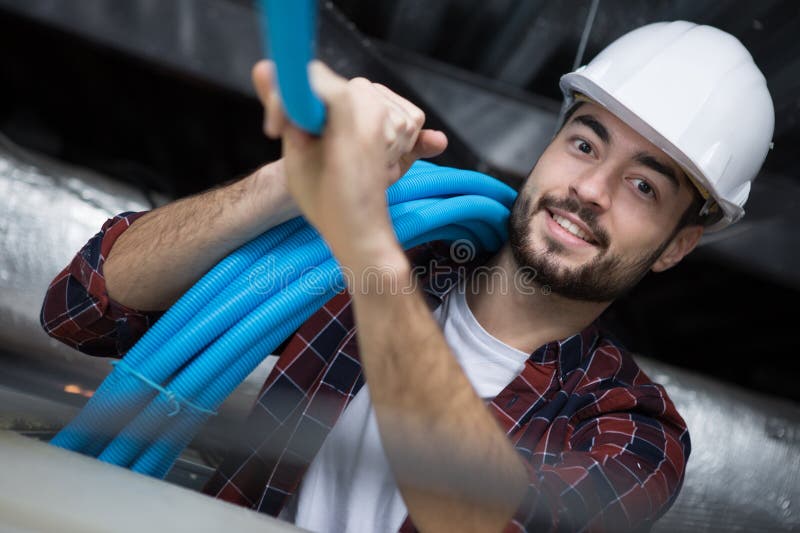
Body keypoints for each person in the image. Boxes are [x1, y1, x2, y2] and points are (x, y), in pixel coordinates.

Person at [40, 21, 773, 532]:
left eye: (645, 187)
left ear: (679, 244)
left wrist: (362, 232)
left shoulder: (635, 430)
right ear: (549, 146)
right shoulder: (374, 270)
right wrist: (287, 182)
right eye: (585, 142)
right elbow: (86, 306)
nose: (591, 189)